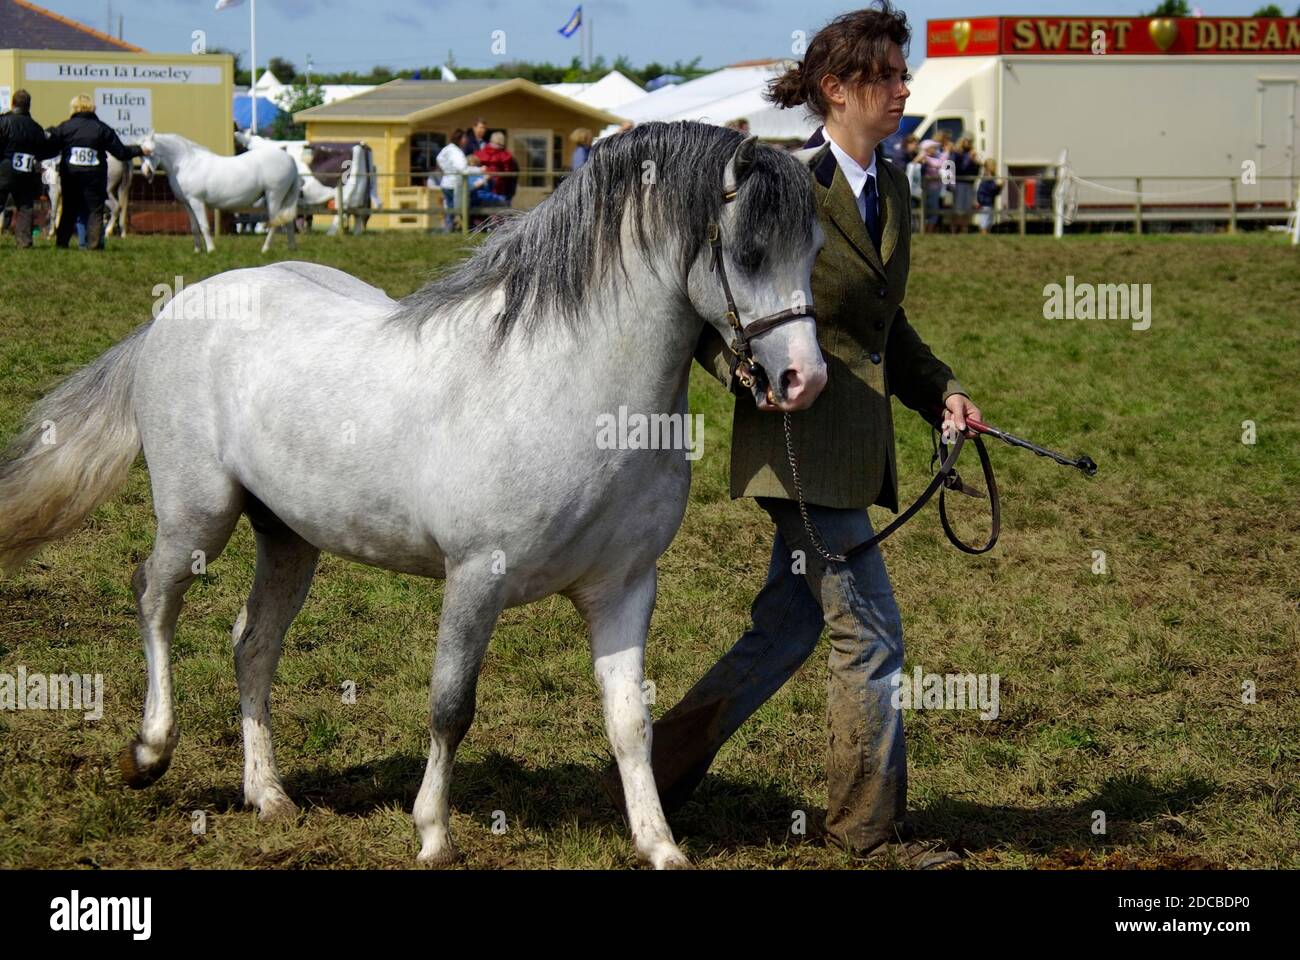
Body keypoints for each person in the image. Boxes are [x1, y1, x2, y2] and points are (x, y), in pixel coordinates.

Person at [604, 1, 981, 869]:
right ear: (834, 89)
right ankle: (868, 836)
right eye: (884, 75)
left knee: (786, 629)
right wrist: (738, 371)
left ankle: (652, 773)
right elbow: (712, 301)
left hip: (858, 450)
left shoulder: (892, 186)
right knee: (870, 635)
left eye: (902, 71)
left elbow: (888, 324)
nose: (902, 87)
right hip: (797, 447)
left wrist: (944, 395)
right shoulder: (781, 182)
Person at [45, 93, 148, 250]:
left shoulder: (65, 127)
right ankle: (93, 246)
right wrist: (140, 150)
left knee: (69, 209)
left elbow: (51, 149)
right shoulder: (102, 128)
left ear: (74, 108)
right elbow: (120, 152)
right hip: (94, 177)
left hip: (70, 176)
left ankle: (62, 245)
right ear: (92, 108)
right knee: (95, 210)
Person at [0, 89, 58, 248]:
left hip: (4, 170)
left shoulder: (3, 121)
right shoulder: (36, 127)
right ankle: (24, 242)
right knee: (25, 206)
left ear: (12, 104)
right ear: (29, 106)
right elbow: (45, 151)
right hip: (27, 173)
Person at [435, 128, 484, 231]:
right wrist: (480, 170)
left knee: (449, 208)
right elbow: (463, 169)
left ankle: (451, 231)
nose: (466, 140)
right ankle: (453, 231)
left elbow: (439, 159)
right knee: (456, 209)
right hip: (454, 184)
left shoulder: (447, 149)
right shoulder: (456, 152)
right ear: (460, 139)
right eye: (464, 138)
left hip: (446, 182)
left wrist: (446, 169)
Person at [472, 130, 519, 208]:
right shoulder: (506, 156)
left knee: (481, 214)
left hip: (482, 188)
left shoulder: (480, 153)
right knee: (499, 213)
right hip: (500, 190)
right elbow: (509, 174)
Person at [950, 135, 979, 233]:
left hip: (969, 183)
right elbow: (960, 168)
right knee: (958, 209)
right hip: (959, 183)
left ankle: (964, 230)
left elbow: (976, 171)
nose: (969, 143)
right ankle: (954, 231)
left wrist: (976, 162)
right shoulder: (956, 154)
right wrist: (969, 159)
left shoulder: (971, 153)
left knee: (967, 208)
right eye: (967, 141)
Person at [975, 158, 1001, 234]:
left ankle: (987, 236)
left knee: (989, 223)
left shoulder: (991, 177)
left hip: (989, 203)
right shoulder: (987, 178)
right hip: (986, 203)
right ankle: (983, 237)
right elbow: (991, 189)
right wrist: (998, 186)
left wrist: (999, 187)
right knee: (985, 223)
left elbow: (995, 192)